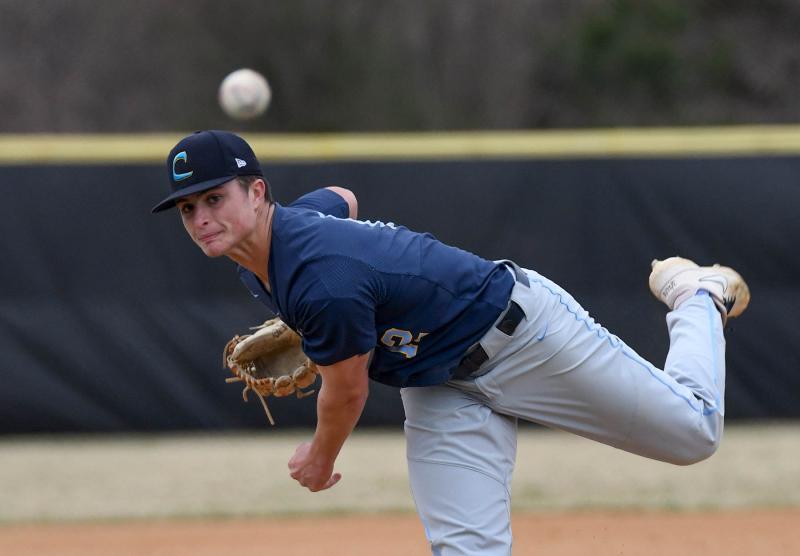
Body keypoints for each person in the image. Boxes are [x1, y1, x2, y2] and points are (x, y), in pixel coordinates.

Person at [152, 130, 750, 555]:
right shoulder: (268, 252)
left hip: (523, 337)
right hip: (439, 385)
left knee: (693, 434)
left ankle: (698, 297)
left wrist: (320, 457)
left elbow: (347, 391)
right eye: (187, 207)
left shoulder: (321, 282)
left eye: (215, 197)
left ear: (256, 193)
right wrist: (357, 296)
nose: (201, 217)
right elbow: (341, 197)